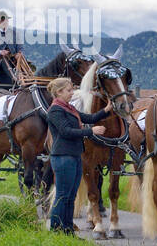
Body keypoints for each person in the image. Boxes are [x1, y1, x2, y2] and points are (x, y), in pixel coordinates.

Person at [46, 76, 111, 233]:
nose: (72, 93)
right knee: (63, 195)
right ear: (59, 92)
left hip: (74, 156)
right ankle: (56, 228)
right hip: (63, 157)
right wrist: (91, 131)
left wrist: (106, 110)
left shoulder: (69, 108)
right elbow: (65, 131)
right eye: (69, 90)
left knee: (70, 196)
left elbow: (89, 117)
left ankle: (67, 228)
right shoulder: (55, 110)